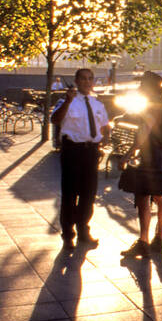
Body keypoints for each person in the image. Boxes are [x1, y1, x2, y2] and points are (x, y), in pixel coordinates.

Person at [121, 71, 162, 258]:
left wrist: (128, 153)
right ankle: (159, 238)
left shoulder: (150, 106)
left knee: (142, 198)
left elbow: (145, 130)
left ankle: (144, 241)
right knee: (160, 197)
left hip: (149, 156)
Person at [51, 68, 110, 249]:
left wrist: (105, 138)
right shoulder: (67, 101)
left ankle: (84, 231)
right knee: (70, 194)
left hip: (91, 152)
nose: (87, 82)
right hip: (72, 152)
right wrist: (68, 102)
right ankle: (68, 234)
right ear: (76, 81)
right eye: (83, 78)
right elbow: (55, 119)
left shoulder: (97, 104)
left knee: (88, 194)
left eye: (90, 78)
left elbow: (105, 125)